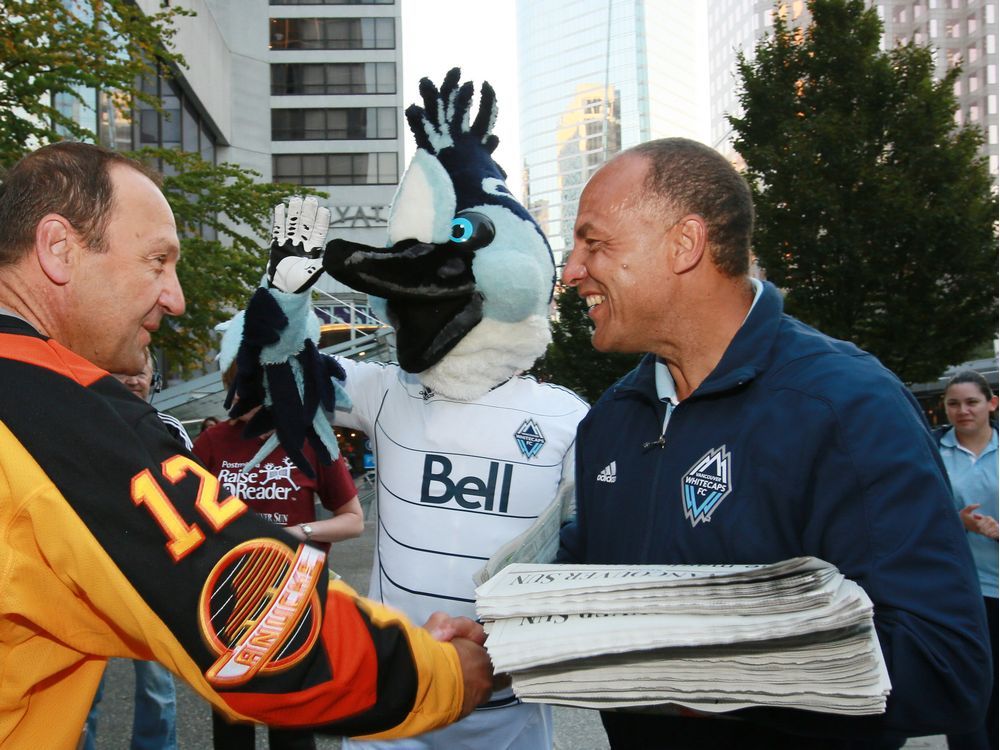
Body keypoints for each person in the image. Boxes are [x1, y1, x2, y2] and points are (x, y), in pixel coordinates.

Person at [0, 141, 493, 750]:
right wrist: (445, 674)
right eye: (157, 261)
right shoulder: (58, 413)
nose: (176, 298)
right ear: (58, 248)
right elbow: (252, 621)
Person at [556, 137, 991, 749]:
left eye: (594, 244)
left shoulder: (847, 405)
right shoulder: (610, 420)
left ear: (685, 244)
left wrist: (718, 679)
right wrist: (505, 632)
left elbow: (943, 665)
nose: (571, 272)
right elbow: (594, 569)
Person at [222, 69, 588, 750]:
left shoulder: (568, 420)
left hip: (505, 710)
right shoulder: (385, 392)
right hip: (395, 703)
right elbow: (284, 377)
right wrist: (287, 294)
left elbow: (586, 563)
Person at [194, 364, 366, 750]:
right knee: (231, 725)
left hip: (293, 600)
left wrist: (297, 533)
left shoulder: (310, 441)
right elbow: (186, 511)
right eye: (237, 387)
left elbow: (353, 520)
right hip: (227, 598)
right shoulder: (212, 441)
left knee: (292, 726)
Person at [83, 347, 187, 750]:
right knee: (84, 687)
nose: (132, 379)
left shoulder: (168, 429)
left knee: (157, 687)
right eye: (121, 371)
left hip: (153, 575)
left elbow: (190, 498)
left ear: (153, 379)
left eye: (139, 372)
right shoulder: (81, 424)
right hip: (92, 572)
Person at [937, 370, 998, 750]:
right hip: (955, 590)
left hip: (997, 588)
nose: (963, 410)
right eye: (954, 403)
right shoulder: (932, 451)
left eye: (972, 402)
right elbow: (915, 511)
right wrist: (955, 521)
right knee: (965, 686)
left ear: (992, 403)